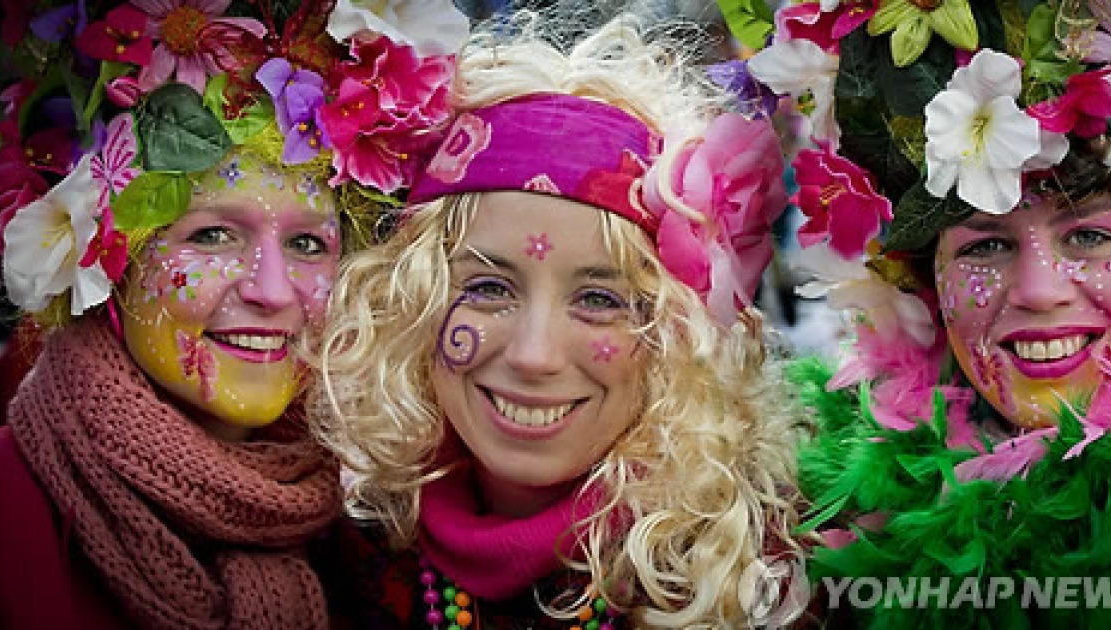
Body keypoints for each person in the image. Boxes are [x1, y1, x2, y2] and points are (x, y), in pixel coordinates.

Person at [309, 11, 811, 628]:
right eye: (489, 288)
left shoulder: (764, 576)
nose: (534, 354)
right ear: (416, 302)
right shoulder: (340, 560)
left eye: (599, 299)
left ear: (676, 334)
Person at [0, 0, 467, 626]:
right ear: (110, 259)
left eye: (307, 244)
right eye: (212, 236)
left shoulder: (371, 541)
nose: (273, 290)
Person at [718, 0, 1111, 626]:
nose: (1039, 291)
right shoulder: (818, 524)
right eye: (985, 245)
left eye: (1090, 237)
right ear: (923, 283)